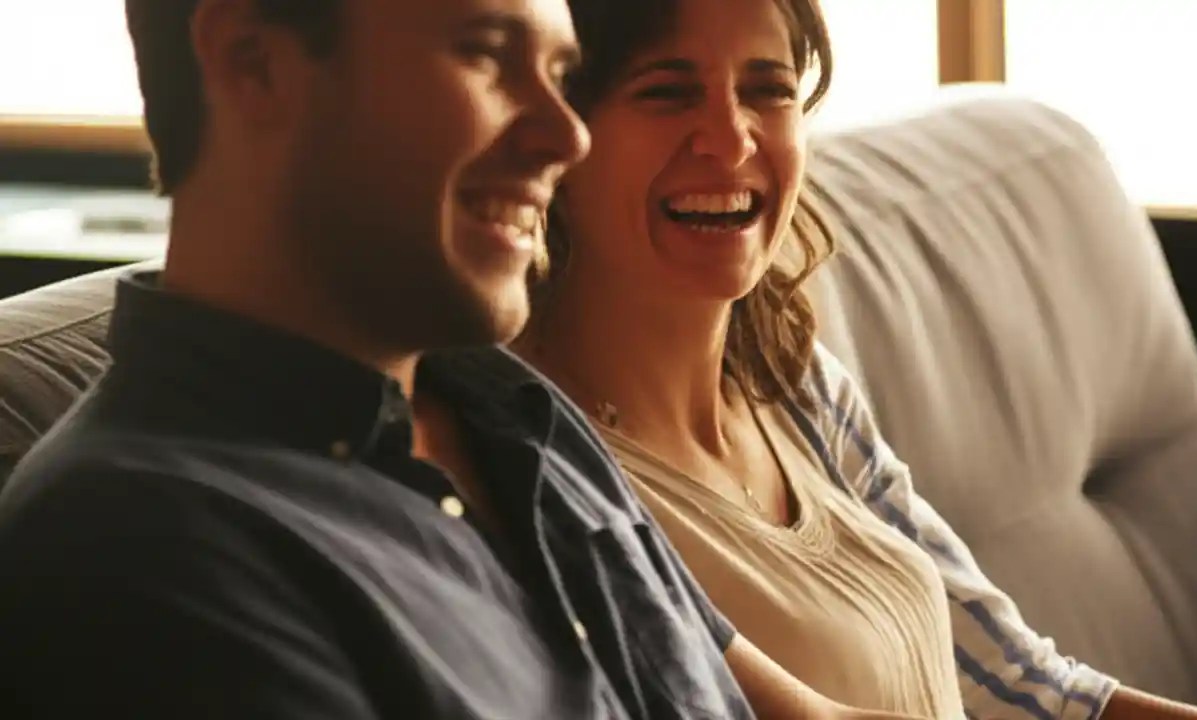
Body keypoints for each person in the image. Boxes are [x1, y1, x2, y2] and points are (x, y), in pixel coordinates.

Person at [0, 1, 915, 718]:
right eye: (485, 54)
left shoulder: (510, 411)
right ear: (253, 61)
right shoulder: (143, 553)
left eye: (560, 72)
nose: (568, 137)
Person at [518, 0, 1197, 718]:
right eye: (666, 93)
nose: (732, 141)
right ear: (557, 136)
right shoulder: (532, 461)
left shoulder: (795, 384)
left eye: (767, 89)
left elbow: (1022, 687)